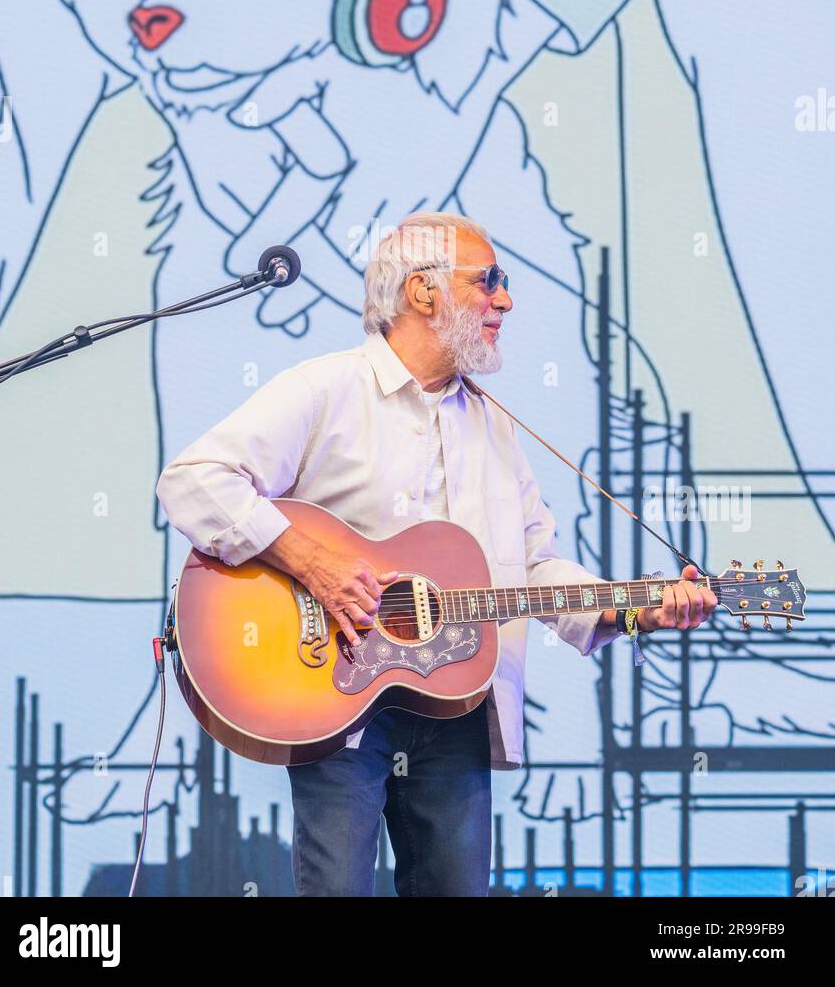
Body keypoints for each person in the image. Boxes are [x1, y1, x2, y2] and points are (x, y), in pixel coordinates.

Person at [157, 212, 717, 896]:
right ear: (423, 293)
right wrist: (313, 562)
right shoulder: (324, 389)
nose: (505, 301)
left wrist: (635, 611)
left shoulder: (495, 426)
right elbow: (194, 480)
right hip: (338, 703)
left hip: (454, 705)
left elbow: (534, 568)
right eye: (489, 282)